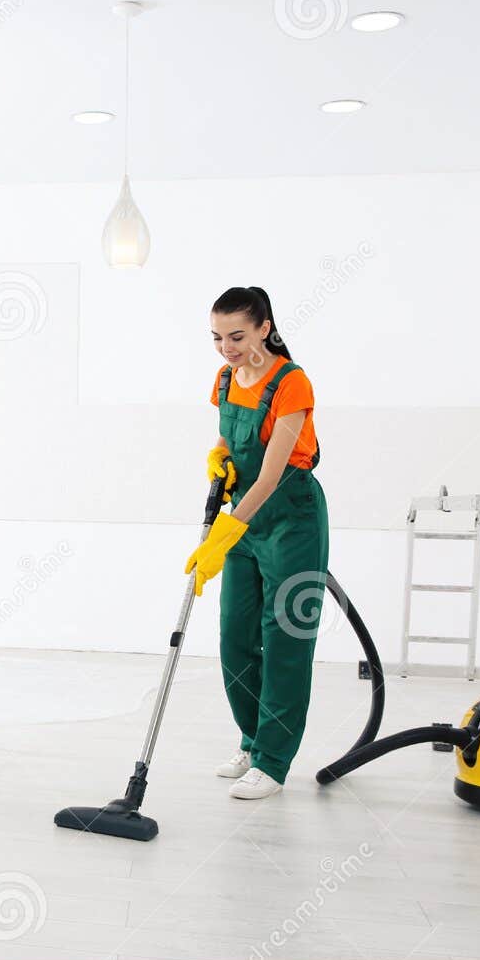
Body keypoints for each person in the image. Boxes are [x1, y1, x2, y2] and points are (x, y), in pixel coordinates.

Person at [184, 287, 327, 800]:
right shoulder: (225, 378)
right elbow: (228, 437)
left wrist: (223, 535)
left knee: (285, 639)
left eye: (237, 336)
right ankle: (251, 740)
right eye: (218, 337)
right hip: (243, 515)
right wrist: (217, 459)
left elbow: (270, 475)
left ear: (265, 327)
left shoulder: (291, 382)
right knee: (235, 636)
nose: (226, 347)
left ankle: (273, 761)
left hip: (291, 517)